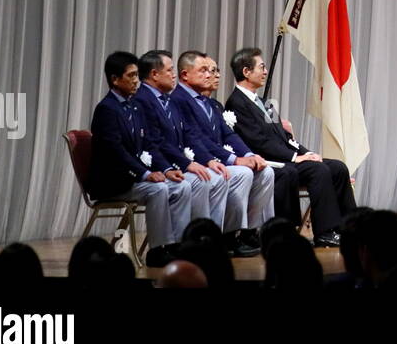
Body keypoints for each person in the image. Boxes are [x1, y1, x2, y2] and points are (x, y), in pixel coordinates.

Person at [224, 47, 357, 248]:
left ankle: (349, 227)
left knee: (337, 167)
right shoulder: (236, 103)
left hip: (287, 157)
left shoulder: (264, 102)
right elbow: (259, 142)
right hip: (270, 162)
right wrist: (295, 158)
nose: (266, 71)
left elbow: (284, 138)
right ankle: (324, 232)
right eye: (262, 67)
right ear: (246, 72)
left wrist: (307, 153)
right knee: (317, 170)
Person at [86, 51, 194, 268]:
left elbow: (148, 145)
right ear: (115, 80)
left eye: (137, 75)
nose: (136, 80)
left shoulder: (134, 105)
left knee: (181, 186)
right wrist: (145, 174)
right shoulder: (107, 109)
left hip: (133, 178)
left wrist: (165, 170)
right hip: (113, 182)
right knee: (158, 190)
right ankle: (158, 250)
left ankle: (176, 246)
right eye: (131, 76)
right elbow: (116, 152)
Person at [170, 50, 274, 256]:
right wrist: (234, 159)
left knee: (265, 172)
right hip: (195, 161)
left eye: (212, 71)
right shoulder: (179, 100)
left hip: (217, 159)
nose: (211, 75)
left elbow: (228, 134)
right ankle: (222, 236)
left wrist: (250, 155)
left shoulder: (209, 102)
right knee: (242, 174)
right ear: (184, 75)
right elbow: (195, 139)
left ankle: (247, 232)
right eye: (204, 70)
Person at [132, 49, 228, 229]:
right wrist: (183, 164)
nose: (173, 75)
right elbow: (155, 141)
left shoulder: (166, 99)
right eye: (169, 70)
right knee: (201, 180)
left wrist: (208, 160)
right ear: (154, 74)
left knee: (216, 178)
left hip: (175, 164)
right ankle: (191, 240)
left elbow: (188, 134)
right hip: (157, 167)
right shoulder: (142, 100)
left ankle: (211, 237)